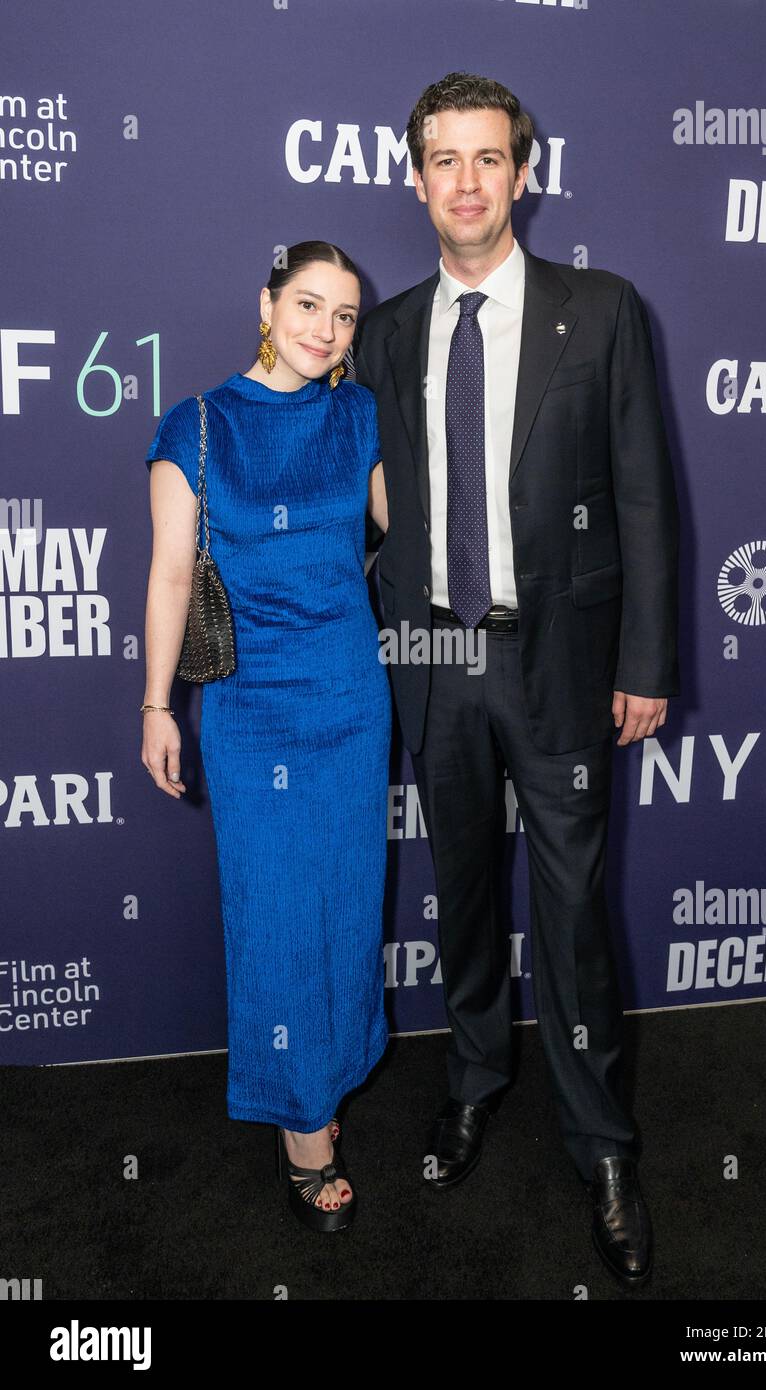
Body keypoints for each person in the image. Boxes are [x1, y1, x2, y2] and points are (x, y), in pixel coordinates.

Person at [352, 74, 680, 1285]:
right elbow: (368, 497)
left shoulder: (600, 311)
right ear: (416, 178)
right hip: (436, 657)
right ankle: (476, 1079)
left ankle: (602, 1143)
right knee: (463, 893)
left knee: (577, 912)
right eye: (444, 160)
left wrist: (644, 658)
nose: (467, 182)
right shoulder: (385, 331)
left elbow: (642, 492)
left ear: (524, 175)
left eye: (489, 159)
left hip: (559, 661)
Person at [141, 241, 391, 1233]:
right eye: (307, 304)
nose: (324, 330)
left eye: (343, 316)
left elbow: (401, 529)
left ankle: (326, 1078)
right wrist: (157, 705)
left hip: (347, 696)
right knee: (275, 911)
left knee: (340, 906)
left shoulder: (361, 413)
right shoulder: (197, 424)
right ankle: (303, 1132)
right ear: (266, 304)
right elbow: (168, 573)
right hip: (249, 706)